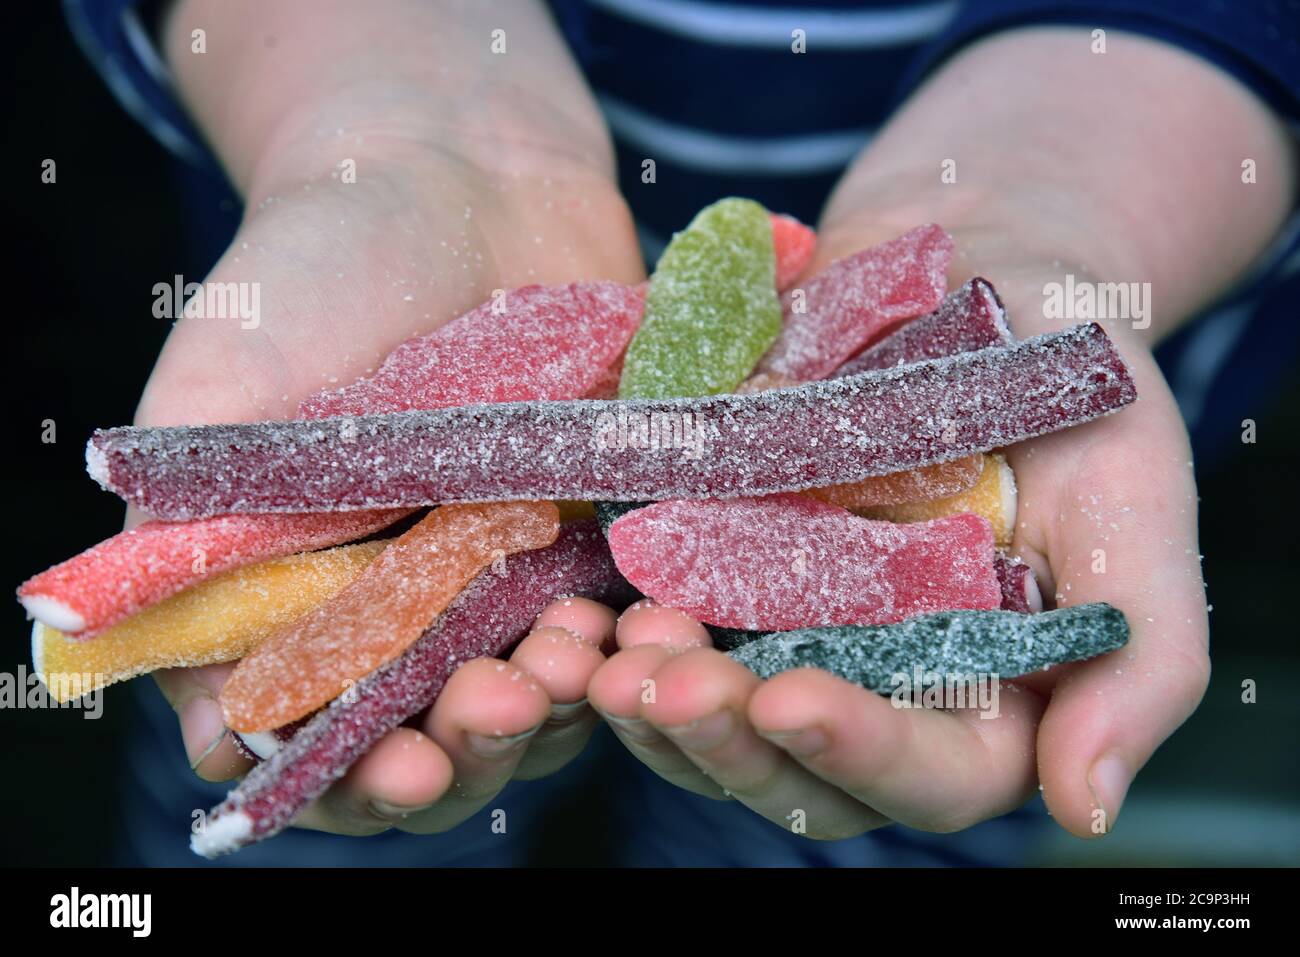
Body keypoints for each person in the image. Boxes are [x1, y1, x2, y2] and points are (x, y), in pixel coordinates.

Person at [68, 0, 1296, 865]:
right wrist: (394, 121)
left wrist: (1053, 214)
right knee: (345, 777)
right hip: (452, 231)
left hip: (1096, 208)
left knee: (818, 777)